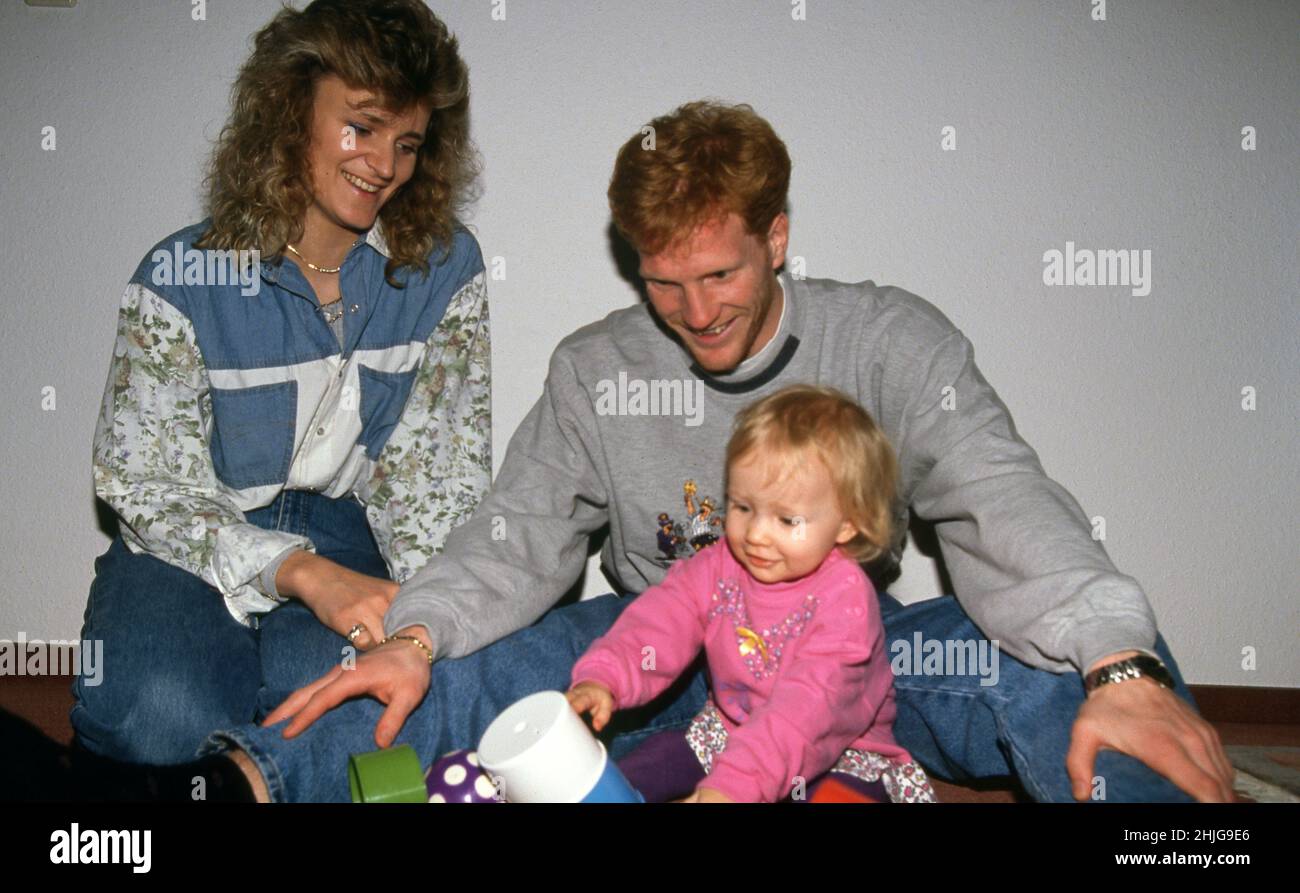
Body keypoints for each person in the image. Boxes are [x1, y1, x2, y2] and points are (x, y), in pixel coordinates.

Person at [27, 99, 1232, 804]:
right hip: (658, 647)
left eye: (719, 273)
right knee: (438, 660)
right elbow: (515, 536)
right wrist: (416, 630)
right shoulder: (597, 366)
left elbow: (1003, 502)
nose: (695, 311)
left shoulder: (891, 339)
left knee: (1074, 656)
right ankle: (222, 794)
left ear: (778, 236)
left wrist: (1118, 659)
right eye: (662, 282)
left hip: (850, 667)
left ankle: (1169, 814)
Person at [69, 0, 490, 766]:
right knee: (161, 712)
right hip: (192, 535)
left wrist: (429, 630)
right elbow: (143, 479)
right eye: (360, 127)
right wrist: (299, 572)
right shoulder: (180, 276)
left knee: (351, 718)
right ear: (291, 110)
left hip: (348, 529)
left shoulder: (445, 271)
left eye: (407, 143)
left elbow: (438, 480)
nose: (384, 165)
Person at [567, 385, 937, 803]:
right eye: (742, 508)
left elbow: (806, 712)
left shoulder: (844, 598)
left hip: (841, 752)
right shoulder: (720, 563)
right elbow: (662, 619)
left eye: (786, 519)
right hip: (730, 731)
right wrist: (606, 676)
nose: (756, 534)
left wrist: (733, 787)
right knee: (640, 768)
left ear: (848, 523)